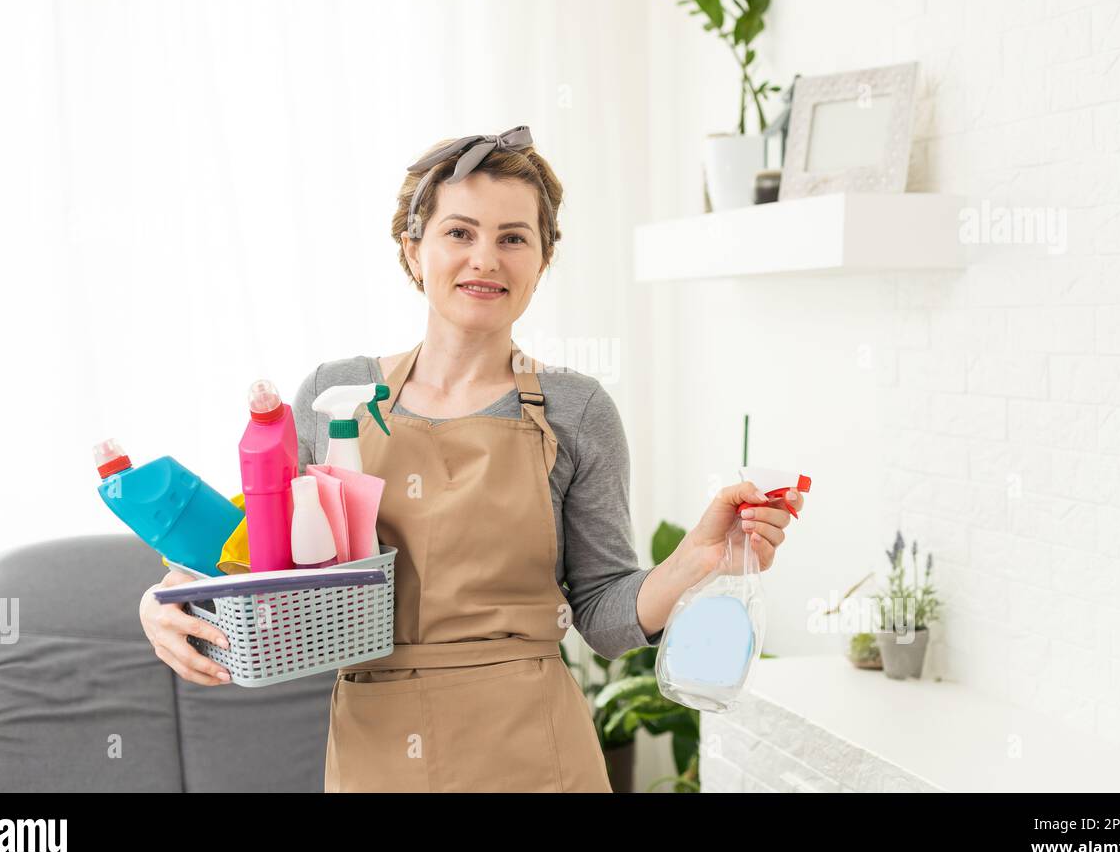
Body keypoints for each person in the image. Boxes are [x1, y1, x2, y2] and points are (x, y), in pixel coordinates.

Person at [139, 126, 802, 792]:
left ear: (543, 260)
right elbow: (257, 558)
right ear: (413, 249)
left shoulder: (577, 411)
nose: (486, 258)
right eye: (459, 232)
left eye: (514, 237)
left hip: (537, 753)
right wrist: (164, 600)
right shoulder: (331, 397)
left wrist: (698, 560)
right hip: (378, 754)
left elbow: (603, 617)